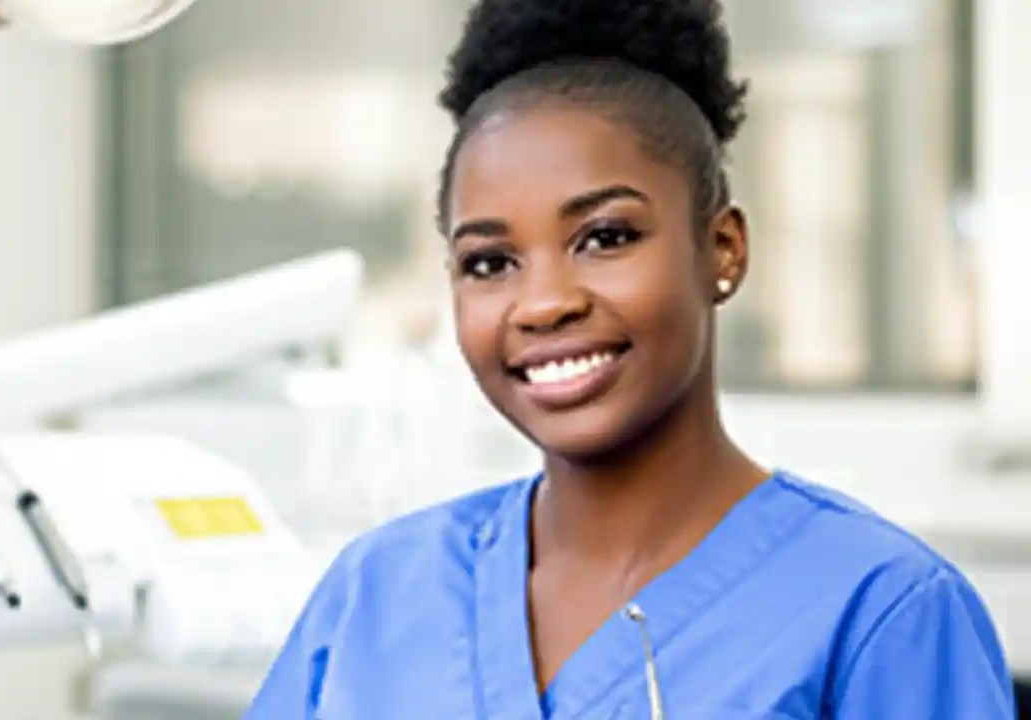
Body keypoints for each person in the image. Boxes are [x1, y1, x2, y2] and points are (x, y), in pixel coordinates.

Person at [247, 0, 1016, 717]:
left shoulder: (880, 613)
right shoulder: (374, 595)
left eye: (606, 238)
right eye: (489, 262)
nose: (543, 302)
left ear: (722, 248)